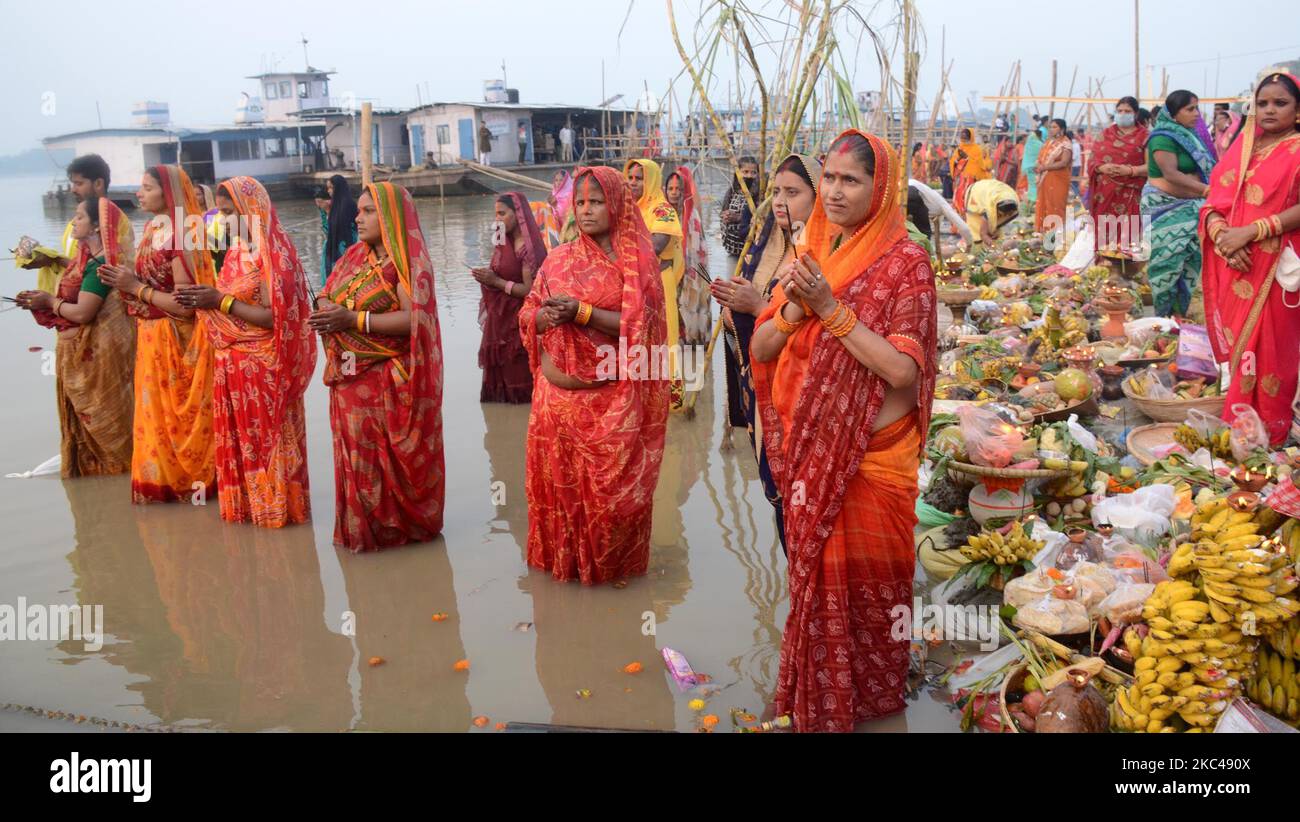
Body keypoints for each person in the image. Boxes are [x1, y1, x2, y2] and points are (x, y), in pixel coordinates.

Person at [750, 130, 936, 732]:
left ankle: (876, 702)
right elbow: (762, 345)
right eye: (828, 177)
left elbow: (904, 370)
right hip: (815, 456)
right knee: (817, 590)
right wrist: (797, 309)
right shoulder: (812, 251)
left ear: (879, 189)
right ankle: (822, 703)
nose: (833, 191)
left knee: (875, 592)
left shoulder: (907, 262)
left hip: (874, 461)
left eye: (850, 180)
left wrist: (832, 310)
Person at [518, 166, 670, 584]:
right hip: (553, 406)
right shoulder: (559, 256)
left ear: (617, 204)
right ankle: (564, 579)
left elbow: (643, 325)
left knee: (612, 505)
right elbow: (528, 309)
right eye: (581, 202)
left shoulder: (638, 265)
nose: (585, 210)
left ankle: (609, 581)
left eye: (596, 202)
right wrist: (544, 317)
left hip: (610, 404)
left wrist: (581, 313)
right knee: (558, 500)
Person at [168, 177, 316, 527]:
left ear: (252, 211)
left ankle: (277, 512)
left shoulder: (273, 254)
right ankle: (248, 510)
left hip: (263, 366)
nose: (224, 219)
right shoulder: (235, 251)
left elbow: (272, 318)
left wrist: (219, 300)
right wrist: (206, 301)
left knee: (267, 442)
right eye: (221, 212)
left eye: (231, 211)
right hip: (232, 367)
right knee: (242, 442)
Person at [309, 182, 444, 551]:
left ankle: (395, 531)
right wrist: (324, 306)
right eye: (359, 210)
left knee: (385, 464)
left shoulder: (409, 265)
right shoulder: (355, 256)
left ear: (391, 217)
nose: (358, 217)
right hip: (349, 383)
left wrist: (352, 320)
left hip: (388, 384)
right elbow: (328, 289)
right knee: (358, 460)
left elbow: (413, 321)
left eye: (369, 211)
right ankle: (364, 532)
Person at [710, 153, 822, 551]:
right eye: (776, 191)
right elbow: (759, 316)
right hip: (768, 393)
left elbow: (817, 331)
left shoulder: (822, 254)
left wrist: (756, 307)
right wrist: (735, 306)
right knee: (782, 504)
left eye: (792, 192)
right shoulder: (768, 244)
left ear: (817, 197)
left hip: (804, 402)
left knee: (805, 504)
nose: (779, 201)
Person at [97, 165, 217, 504]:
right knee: (157, 421)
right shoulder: (152, 228)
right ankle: (162, 486)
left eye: (147, 188)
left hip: (175, 338)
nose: (139, 194)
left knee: (182, 423)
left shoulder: (185, 233)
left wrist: (135, 288)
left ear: (168, 194)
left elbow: (186, 306)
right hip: (151, 338)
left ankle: (189, 489)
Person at [1200, 72, 1300, 446]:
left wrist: (1252, 233)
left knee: (1274, 350)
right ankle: (1240, 424)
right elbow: (1213, 202)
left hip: (1275, 267)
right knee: (1242, 348)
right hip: (1235, 263)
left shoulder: (1297, 148)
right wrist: (1225, 237)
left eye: (1280, 102)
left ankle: (1270, 431)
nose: (1270, 109)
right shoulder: (1242, 149)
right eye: (1263, 103)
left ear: (1298, 109)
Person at [14, 195, 135, 477]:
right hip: (78, 353)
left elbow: (83, 313)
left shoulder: (100, 265)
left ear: (96, 226)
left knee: (104, 427)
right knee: (86, 425)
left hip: (94, 356)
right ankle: (100, 484)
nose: (73, 221)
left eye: (79, 217)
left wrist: (49, 302)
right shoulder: (85, 260)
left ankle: (116, 480)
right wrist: (41, 300)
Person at [1142, 90, 1215, 318]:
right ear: (1174, 113)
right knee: (1166, 263)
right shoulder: (1163, 137)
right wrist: (1205, 190)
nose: (1197, 114)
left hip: (1191, 207)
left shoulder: (1190, 135)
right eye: (1190, 109)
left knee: (1188, 261)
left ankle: (1178, 316)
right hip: (1164, 208)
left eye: (1197, 108)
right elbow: (1170, 174)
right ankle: (1163, 317)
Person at [471, 192, 545, 403]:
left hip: (518, 323)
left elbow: (530, 291)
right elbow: (499, 270)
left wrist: (496, 282)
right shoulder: (504, 242)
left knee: (519, 379)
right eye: (495, 214)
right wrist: (485, 277)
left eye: (502, 214)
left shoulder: (527, 248)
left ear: (518, 215)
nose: (497, 220)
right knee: (499, 385)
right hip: (500, 320)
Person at [626, 158, 686, 411]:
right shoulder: (631, 208)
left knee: (665, 338)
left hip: (659, 281)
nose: (632, 183)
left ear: (650, 180)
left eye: (638, 178)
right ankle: (642, 398)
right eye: (630, 177)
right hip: (635, 281)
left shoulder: (662, 209)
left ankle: (671, 402)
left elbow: (656, 247)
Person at [24, 155, 111, 294]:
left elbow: (101, 270)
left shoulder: (112, 223)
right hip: (71, 300)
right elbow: (76, 265)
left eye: (79, 183)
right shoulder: (75, 223)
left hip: (90, 305)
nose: (73, 189)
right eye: (73, 183)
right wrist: (49, 259)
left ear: (98, 183)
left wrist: (55, 260)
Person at [1088, 96, 1149, 250]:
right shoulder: (1105, 134)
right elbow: (1092, 161)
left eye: (1127, 111)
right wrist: (1101, 168)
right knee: (1104, 234)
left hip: (1131, 194)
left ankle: (1128, 270)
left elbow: (1153, 167)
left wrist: (1130, 170)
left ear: (1135, 114)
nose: (1122, 114)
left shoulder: (1145, 136)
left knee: (1129, 236)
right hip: (1105, 194)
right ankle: (1102, 266)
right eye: (1119, 110)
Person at [666, 167, 711, 345]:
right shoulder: (662, 213)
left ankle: (693, 340)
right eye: (671, 189)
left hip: (690, 271)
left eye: (679, 189)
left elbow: (698, 249)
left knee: (689, 302)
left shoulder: (692, 216)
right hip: (670, 270)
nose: (674, 193)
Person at [1034, 119, 1073, 237]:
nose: (1051, 129)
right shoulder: (1049, 143)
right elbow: (1040, 158)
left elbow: (1064, 162)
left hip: (1058, 179)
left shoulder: (1066, 143)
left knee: (1056, 205)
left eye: (1054, 127)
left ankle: (1056, 236)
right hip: (1045, 178)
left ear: (1062, 129)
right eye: (1050, 127)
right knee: (1044, 203)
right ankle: (1043, 235)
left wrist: (1045, 167)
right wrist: (1039, 166)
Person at [720, 156, 762, 256]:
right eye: (745, 172)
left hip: (750, 252)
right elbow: (722, 212)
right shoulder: (732, 192)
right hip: (732, 249)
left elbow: (761, 220)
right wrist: (725, 216)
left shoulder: (760, 195)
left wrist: (739, 217)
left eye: (753, 173)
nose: (749, 176)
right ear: (738, 173)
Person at [324, 174, 358, 287]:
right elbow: (328, 230)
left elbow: (353, 230)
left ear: (338, 187)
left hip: (345, 248)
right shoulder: (334, 206)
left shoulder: (348, 205)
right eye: (327, 188)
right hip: (332, 246)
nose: (329, 191)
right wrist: (325, 212)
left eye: (331, 188)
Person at [964, 178, 1020, 246]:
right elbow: (982, 233)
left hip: (991, 190)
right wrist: (991, 244)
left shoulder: (1011, 198)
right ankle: (976, 246)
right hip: (975, 193)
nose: (1008, 215)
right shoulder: (990, 209)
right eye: (1006, 214)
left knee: (995, 232)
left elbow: (1001, 219)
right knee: (976, 229)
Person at [950, 128, 990, 212]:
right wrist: (959, 159)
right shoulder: (959, 148)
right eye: (962, 138)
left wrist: (967, 158)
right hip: (960, 179)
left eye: (965, 138)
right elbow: (953, 161)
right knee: (959, 198)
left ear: (970, 138)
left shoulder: (976, 149)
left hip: (972, 179)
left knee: (969, 199)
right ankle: (959, 216)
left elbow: (980, 164)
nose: (963, 140)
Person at [1019, 125, 1045, 206]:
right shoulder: (1041, 144)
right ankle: (1035, 202)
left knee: (1031, 185)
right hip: (1036, 168)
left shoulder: (1028, 144)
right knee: (1037, 185)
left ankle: (1030, 202)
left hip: (1028, 168)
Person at [313, 185, 332, 284]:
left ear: (328, 201)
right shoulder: (323, 212)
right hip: (328, 244)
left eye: (320, 202)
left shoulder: (336, 212)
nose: (318, 205)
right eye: (316, 203)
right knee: (326, 269)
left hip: (337, 245)